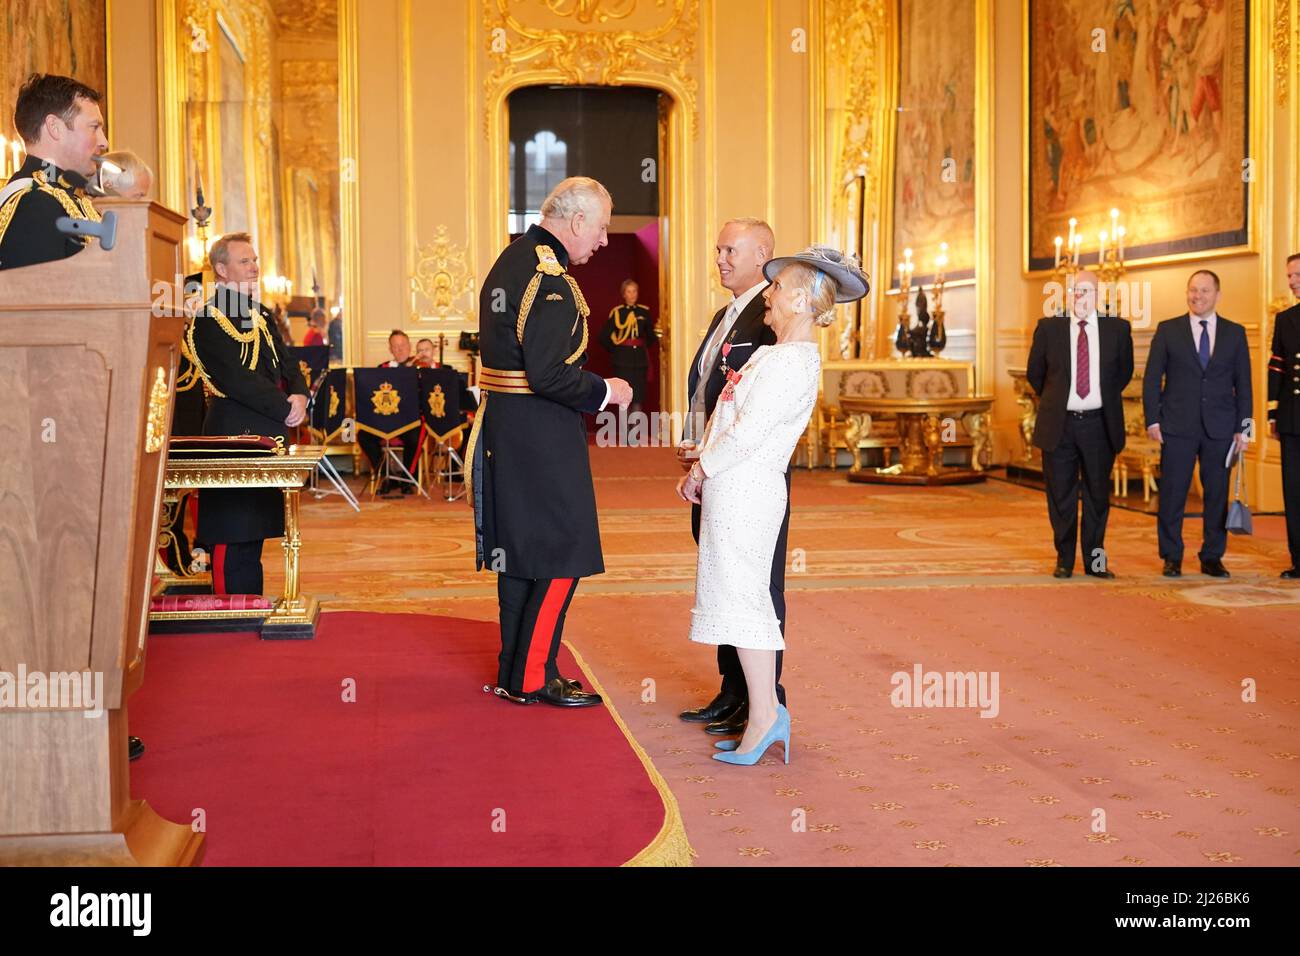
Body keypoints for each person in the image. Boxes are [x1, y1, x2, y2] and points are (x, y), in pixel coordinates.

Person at [677, 246, 868, 765]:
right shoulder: (772, 353)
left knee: (749, 602)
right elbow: (731, 417)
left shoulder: (792, 362)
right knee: (739, 602)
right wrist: (705, 458)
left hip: (748, 493)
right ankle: (762, 714)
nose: (771, 294)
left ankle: (764, 716)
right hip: (731, 487)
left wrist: (701, 468)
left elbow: (750, 435)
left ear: (804, 300)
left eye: (779, 287)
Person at [468, 176, 632, 707]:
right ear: (577, 221)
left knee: (518, 555)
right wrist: (607, 390)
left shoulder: (514, 258)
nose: (603, 241)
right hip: (541, 434)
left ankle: (516, 671)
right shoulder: (551, 277)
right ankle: (534, 676)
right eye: (602, 228)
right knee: (563, 552)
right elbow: (548, 374)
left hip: (509, 429)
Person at [676, 218, 786, 739]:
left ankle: (763, 700)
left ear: (762, 253)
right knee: (724, 580)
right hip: (715, 473)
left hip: (748, 479)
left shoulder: (773, 317)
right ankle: (731, 692)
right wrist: (695, 442)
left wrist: (712, 456)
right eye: (717, 248)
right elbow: (710, 388)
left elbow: (760, 411)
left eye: (729, 249)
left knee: (756, 585)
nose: (719, 258)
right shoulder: (726, 313)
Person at [186, 232, 309, 594]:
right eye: (245, 261)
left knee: (253, 532)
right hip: (232, 435)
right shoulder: (208, 318)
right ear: (221, 270)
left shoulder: (261, 313)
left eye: (255, 260)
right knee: (232, 531)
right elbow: (235, 378)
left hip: (267, 435)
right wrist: (284, 405)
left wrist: (300, 394)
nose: (254, 267)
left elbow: (288, 363)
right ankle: (228, 611)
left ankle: (250, 605)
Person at [1143, 269, 1253, 577]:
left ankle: (1212, 556)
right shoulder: (1168, 330)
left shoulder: (1235, 332)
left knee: (1216, 495)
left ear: (1217, 295)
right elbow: (1152, 379)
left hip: (1221, 428)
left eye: (1204, 291)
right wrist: (1152, 419)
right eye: (1193, 290)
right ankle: (1171, 555)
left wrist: (1245, 428)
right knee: (1173, 493)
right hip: (1176, 426)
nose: (1198, 296)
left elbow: (1244, 384)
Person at [1026, 270, 1135, 578]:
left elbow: (1122, 375)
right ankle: (1064, 559)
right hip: (1059, 426)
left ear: (1098, 295)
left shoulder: (1117, 329)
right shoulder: (1049, 329)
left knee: (1097, 497)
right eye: (1075, 291)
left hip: (1100, 425)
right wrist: (1058, 400)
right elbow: (1036, 374)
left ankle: (1095, 561)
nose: (1080, 296)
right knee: (1060, 496)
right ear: (1067, 294)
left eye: (1086, 291)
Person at [0, 73, 107, 270]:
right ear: (55, 128)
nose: (104, 142)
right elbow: (39, 297)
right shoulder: (35, 203)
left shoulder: (68, 199)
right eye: (94, 127)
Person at [1268, 253, 1300, 579]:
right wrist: (1272, 413)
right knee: (1294, 491)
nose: (1291, 281)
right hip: (1293, 418)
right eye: (1289, 275)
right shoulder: (1285, 318)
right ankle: (1299, 560)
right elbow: (1276, 367)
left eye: (1296, 275)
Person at [359, 329, 420, 493]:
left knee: (415, 435)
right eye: (395, 346)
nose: (399, 350)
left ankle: (407, 479)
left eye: (402, 346)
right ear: (390, 349)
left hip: (409, 421)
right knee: (364, 436)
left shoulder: (419, 368)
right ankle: (387, 476)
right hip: (384, 421)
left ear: (409, 346)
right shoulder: (382, 369)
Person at [599, 279, 656, 423]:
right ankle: (625, 434)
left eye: (634, 291)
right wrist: (617, 351)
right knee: (623, 397)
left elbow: (651, 336)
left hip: (639, 361)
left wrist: (642, 346)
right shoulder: (617, 312)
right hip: (622, 361)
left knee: (638, 396)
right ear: (623, 294)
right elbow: (604, 337)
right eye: (629, 292)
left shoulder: (644, 311)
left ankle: (635, 433)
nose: (632, 295)